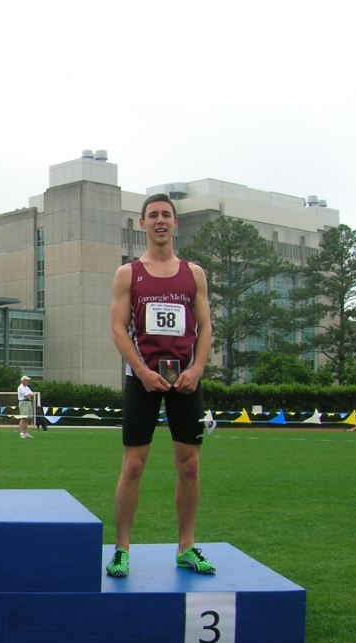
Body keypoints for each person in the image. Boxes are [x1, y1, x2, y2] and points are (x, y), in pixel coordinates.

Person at [107, 193, 216, 577]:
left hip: (185, 381)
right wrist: (140, 370)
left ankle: (186, 547)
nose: (159, 221)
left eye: (166, 215)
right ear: (142, 224)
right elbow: (118, 329)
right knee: (133, 466)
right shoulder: (128, 274)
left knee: (189, 467)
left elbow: (205, 328)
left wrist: (198, 368)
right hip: (142, 380)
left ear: (175, 223)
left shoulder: (194, 274)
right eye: (152, 215)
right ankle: (121, 549)